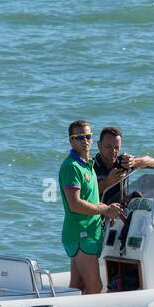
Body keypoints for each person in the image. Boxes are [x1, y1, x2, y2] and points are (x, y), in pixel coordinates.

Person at [60, 121, 123, 294]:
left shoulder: (87, 164)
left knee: (78, 287)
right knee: (95, 287)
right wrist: (105, 209)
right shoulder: (72, 167)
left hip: (86, 233)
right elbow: (75, 204)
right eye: (79, 137)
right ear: (71, 141)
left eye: (88, 136)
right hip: (82, 233)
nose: (85, 141)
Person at [93, 126, 154, 207]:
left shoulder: (123, 162)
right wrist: (107, 182)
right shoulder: (90, 165)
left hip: (120, 210)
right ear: (99, 145)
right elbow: (84, 194)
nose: (113, 151)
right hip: (98, 210)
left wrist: (134, 161)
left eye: (116, 147)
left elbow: (152, 161)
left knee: (141, 196)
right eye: (108, 146)